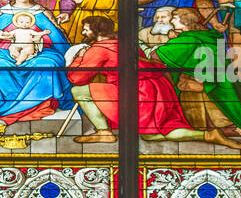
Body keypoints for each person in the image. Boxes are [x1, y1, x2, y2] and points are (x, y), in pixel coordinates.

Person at [65, 15, 209, 145]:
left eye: (86, 30)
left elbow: (78, 78)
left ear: (97, 31)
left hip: (137, 93)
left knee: (78, 91)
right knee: (152, 135)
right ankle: (207, 135)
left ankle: (104, 132)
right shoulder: (126, 44)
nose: (83, 33)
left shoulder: (99, 49)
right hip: (158, 89)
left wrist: (79, 58)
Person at [0, 0, 73, 122]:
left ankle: (40, 104)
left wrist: (37, 39)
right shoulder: (3, 13)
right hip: (4, 50)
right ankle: (7, 103)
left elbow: (55, 36)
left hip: (39, 50)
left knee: (48, 64)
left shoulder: (41, 13)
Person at [154, 7, 241, 142]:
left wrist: (170, 42)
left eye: (174, 18)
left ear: (185, 21)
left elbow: (157, 56)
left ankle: (216, 128)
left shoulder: (188, 39)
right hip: (217, 81)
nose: (171, 21)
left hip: (205, 84)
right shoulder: (205, 36)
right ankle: (220, 127)